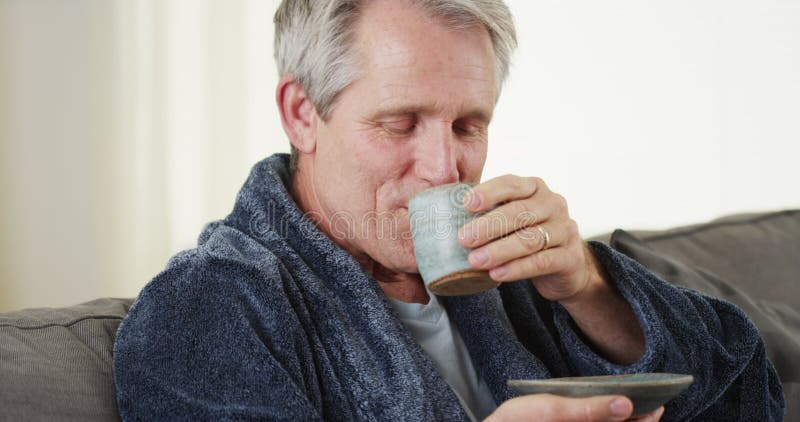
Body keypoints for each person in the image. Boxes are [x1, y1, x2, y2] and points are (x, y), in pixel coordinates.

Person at [113, 0, 785, 420]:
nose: (444, 167)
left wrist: (589, 287)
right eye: (400, 123)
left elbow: (750, 393)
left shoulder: (522, 272)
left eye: (468, 125)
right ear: (302, 114)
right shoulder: (208, 308)